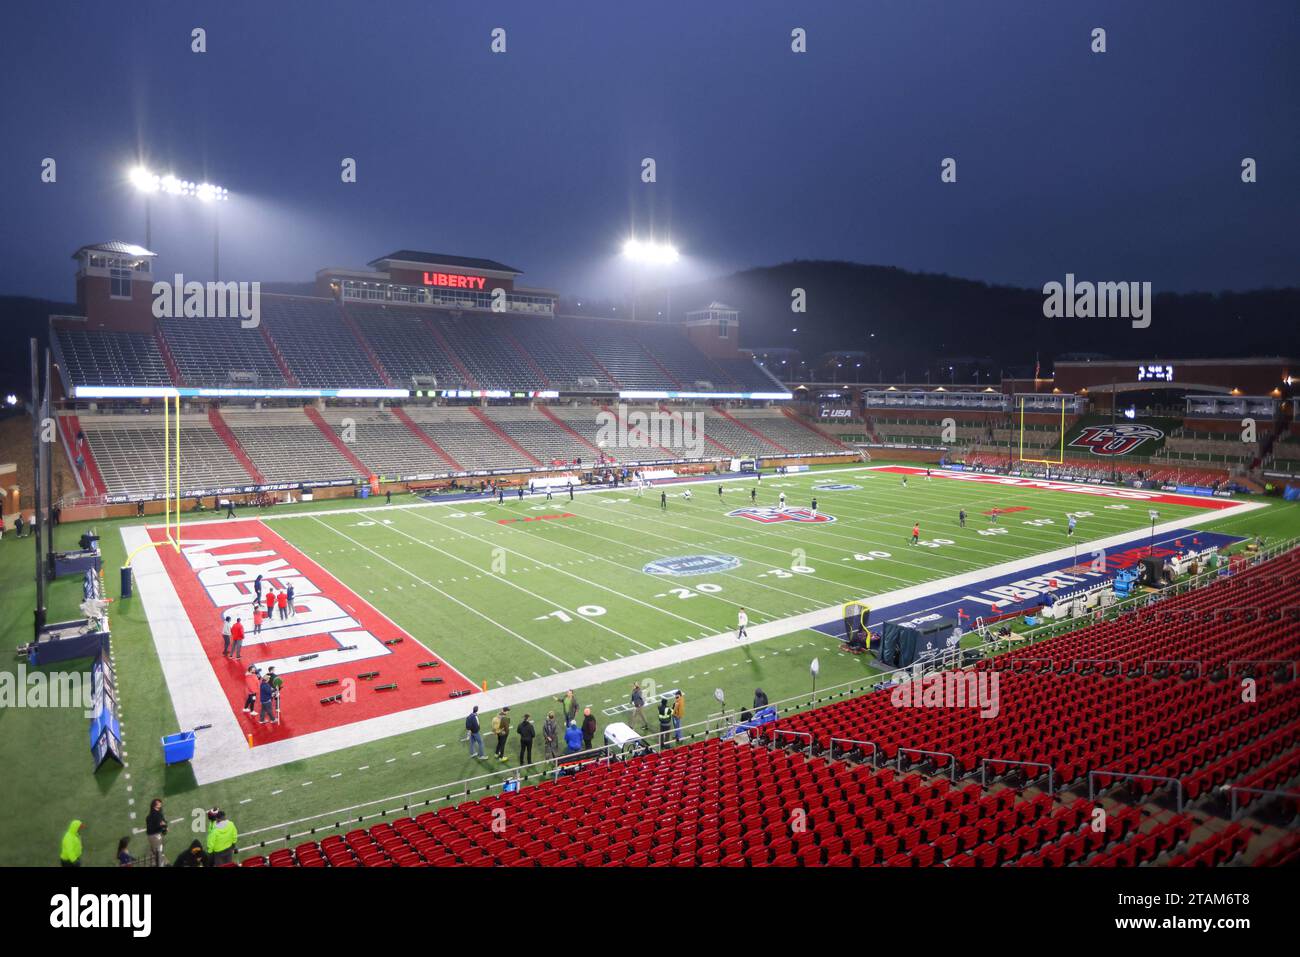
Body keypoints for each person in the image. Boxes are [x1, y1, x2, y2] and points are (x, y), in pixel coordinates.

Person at [145, 798, 168, 867]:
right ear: (155, 806)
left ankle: (153, 863)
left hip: (150, 836)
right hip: (156, 836)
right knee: (159, 852)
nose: (160, 803)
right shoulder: (158, 815)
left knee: (153, 851)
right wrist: (164, 827)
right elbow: (160, 825)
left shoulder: (149, 816)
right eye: (159, 803)